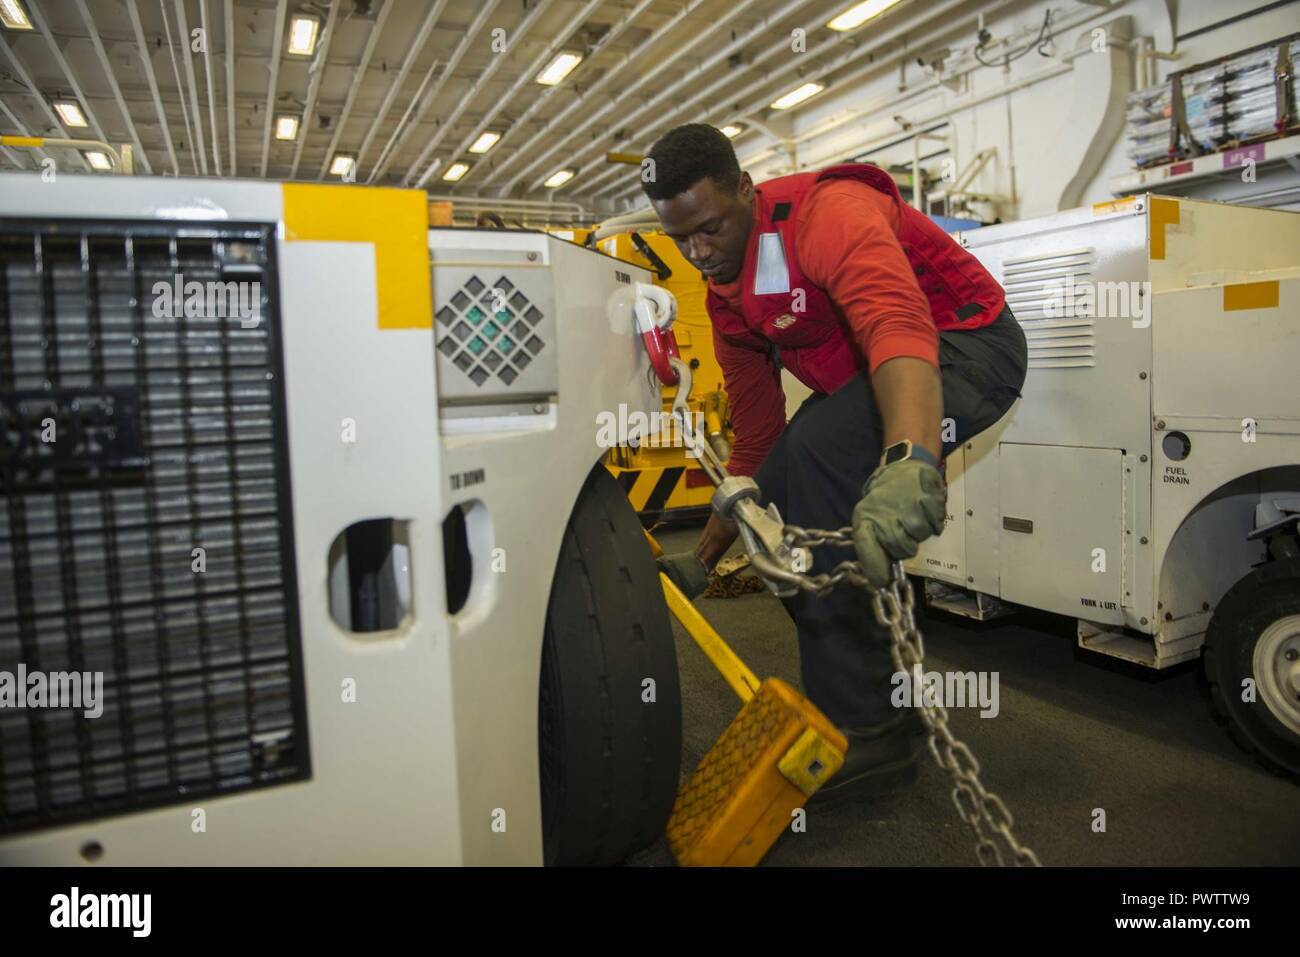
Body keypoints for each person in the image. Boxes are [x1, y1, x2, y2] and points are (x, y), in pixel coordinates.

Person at [642, 123, 1028, 804]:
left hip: (966, 344)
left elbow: (895, 324)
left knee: (819, 451)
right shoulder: (728, 301)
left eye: (711, 228)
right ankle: (885, 691)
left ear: (745, 189)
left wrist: (910, 457)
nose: (700, 252)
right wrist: (706, 556)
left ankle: (865, 725)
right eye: (681, 240)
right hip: (873, 378)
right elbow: (757, 441)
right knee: (778, 501)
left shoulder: (825, 214)